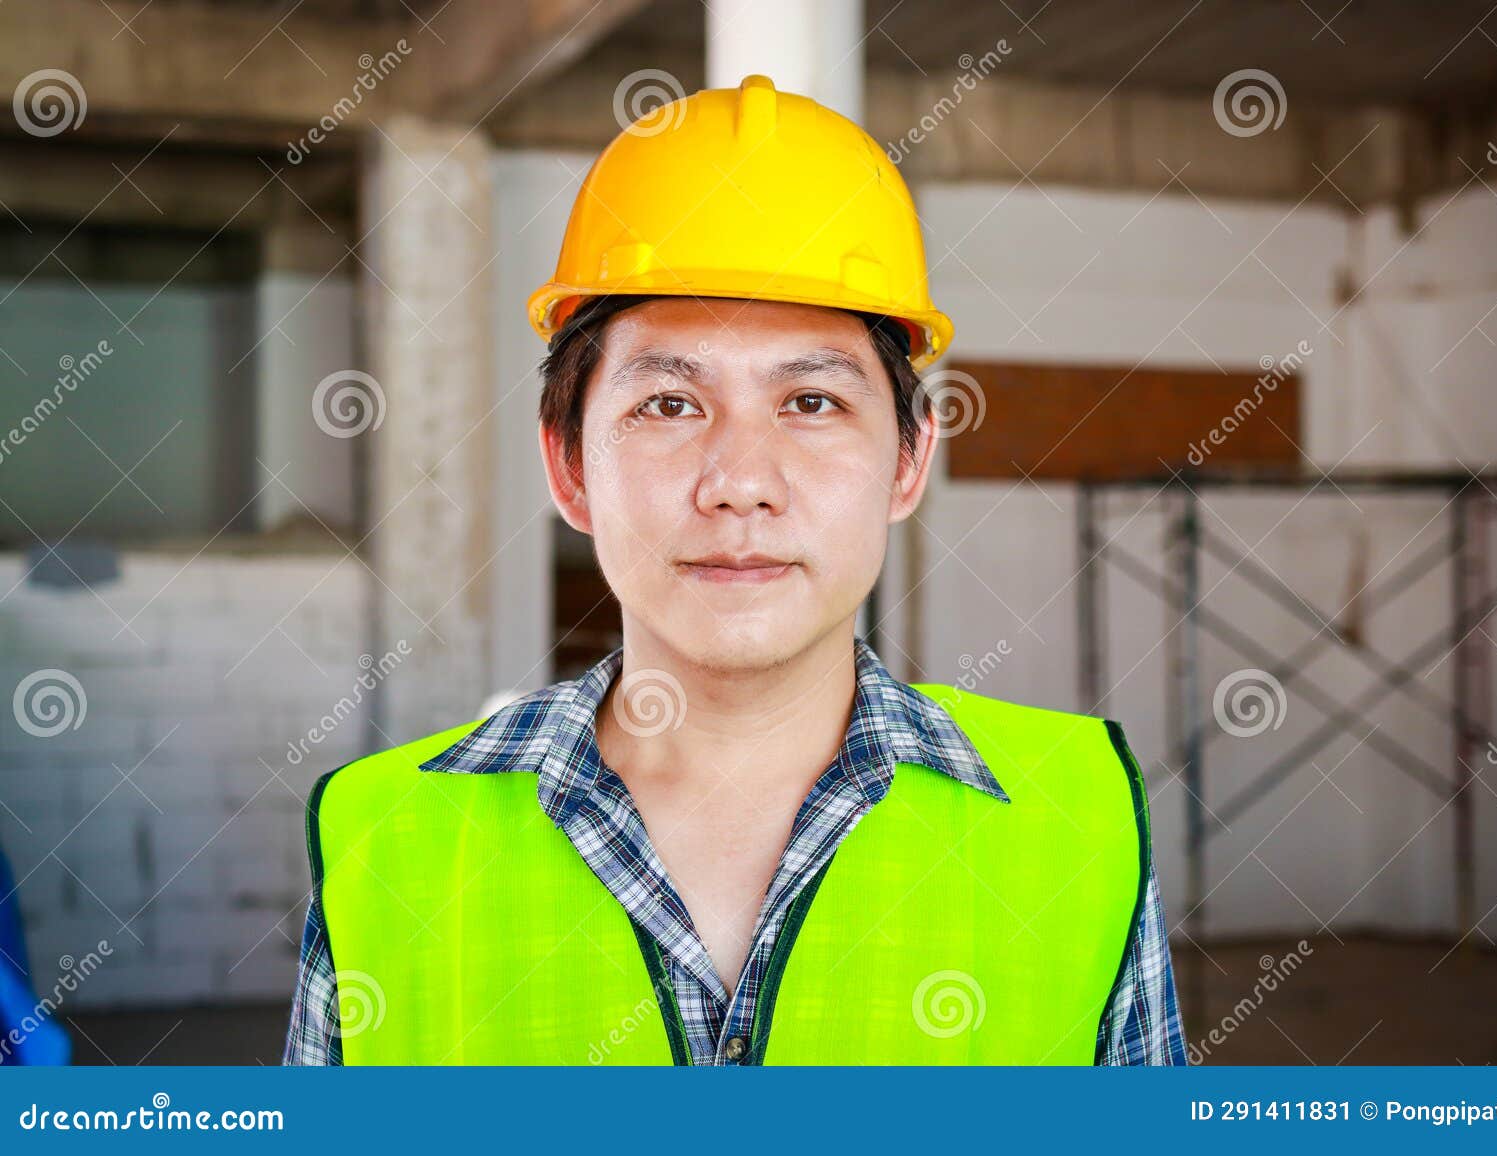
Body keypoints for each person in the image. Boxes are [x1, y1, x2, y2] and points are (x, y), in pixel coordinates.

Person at [283, 73, 1184, 1066]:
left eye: (810, 402)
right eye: (669, 404)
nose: (741, 483)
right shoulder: (389, 844)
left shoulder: (1076, 824)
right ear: (567, 465)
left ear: (908, 459)